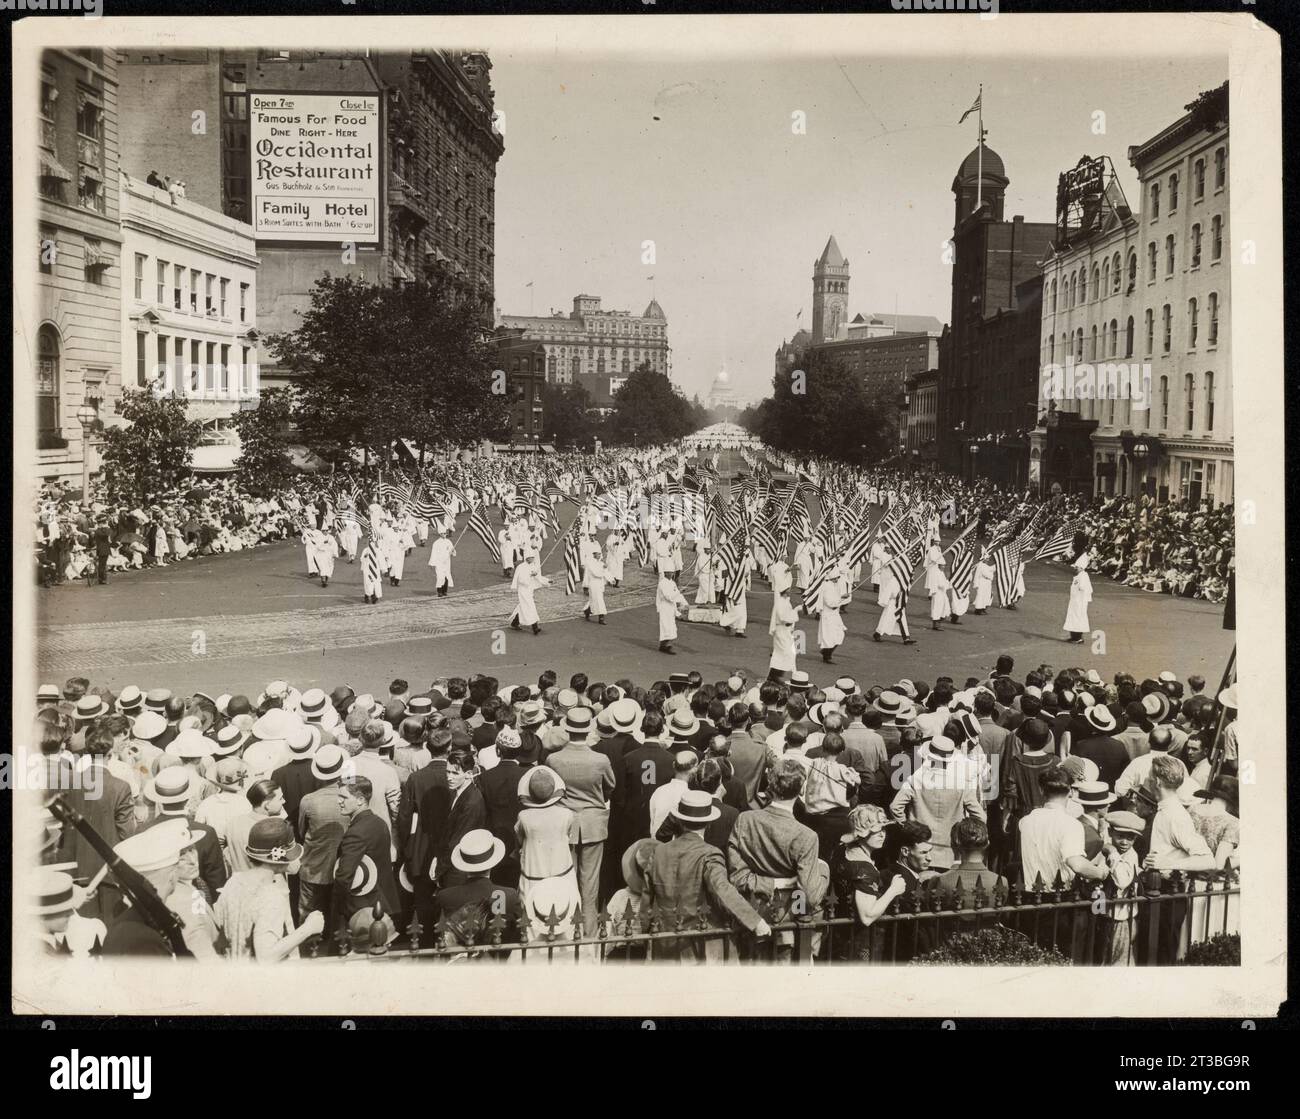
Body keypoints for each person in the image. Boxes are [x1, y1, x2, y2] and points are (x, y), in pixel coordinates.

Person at [641, 790, 771, 961]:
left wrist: (644, 934)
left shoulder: (658, 852)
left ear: (680, 820)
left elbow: (646, 901)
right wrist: (755, 921)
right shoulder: (709, 854)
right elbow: (722, 890)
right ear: (709, 823)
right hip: (702, 945)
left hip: (665, 943)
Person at [728, 757, 830, 958]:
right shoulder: (806, 835)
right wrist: (823, 873)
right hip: (789, 921)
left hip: (751, 913)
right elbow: (809, 896)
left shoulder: (744, 820)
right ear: (802, 790)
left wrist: (768, 883)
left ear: (770, 786)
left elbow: (737, 877)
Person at [213, 817, 325, 961]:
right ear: (279, 858)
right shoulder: (272, 896)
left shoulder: (233, 882)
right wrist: (308, 928)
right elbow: (267, 956)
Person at [546, 709, 614, 936]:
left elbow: (551, 790)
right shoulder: (600, 760)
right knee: (590, 883)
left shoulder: (554, 759)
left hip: (565, 823)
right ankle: (589, 932)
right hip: (593, 822)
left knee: (567, 878)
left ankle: (567, 929)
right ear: (587, 731)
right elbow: (609, 787)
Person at [889, 735, 985, 871]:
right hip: (950, 851)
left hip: (919, 848)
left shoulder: (915, 779)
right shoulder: (961, 784)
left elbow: (895, 807)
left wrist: (908, 828)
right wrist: (964, 836)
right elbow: (981, 817)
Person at [435, 830, 524, 954]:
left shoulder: (445, 896)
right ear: (492, 864)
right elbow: (520, 934)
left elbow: (439, 936)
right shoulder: (510, 895)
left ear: (463, 866)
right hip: (499, 962)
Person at [333, 776, 400, 930]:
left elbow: (344, 877)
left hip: (362, 908)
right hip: (382, 903)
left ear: (360, 800)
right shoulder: (379, 823)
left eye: (343, 797)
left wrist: (338, 908)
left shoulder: (356, 832)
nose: (339, 801)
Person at [510, 557, 549, 636]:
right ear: (527, 558)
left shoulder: (533, 566)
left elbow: (538, 577)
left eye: (533, 558)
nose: (532, 559)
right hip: (523, 591)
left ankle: (515, 622)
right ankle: (535, 627)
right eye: (530, 557)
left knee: (523, 607)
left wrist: (547, 581)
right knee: (530, 607)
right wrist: (530, 576)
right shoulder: (521, 567)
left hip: (530, 591)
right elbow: (520, 580)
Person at [656, 570, 689, 654]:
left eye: (672, 572)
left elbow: (677, 594)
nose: (671, 574)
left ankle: (664, 645)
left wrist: (685, 603)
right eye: (669, 572)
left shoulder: (672, 583)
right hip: (664, 607)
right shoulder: (662, 583)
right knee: (666, 627)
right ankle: (665, 645)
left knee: (671, 627)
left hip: (671, 607)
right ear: (665, 573)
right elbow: (669, 597)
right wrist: (679, 592)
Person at [1064, 548, 1092, 644]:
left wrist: (1081, 590)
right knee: (1073, 617)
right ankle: (1073, 636)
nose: (1075, 568)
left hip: (1080, 601)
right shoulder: (1078, 576)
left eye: (1077, 567)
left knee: (1078, 618)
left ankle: (1078, 638)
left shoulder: (1084, 576)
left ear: (1081, 567)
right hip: (1075, 601)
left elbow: (1085, 588)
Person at [583, 543, 609, 625]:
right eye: (597, 554)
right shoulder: (590, 563)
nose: (599, 555)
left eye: (600, 554)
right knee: (599, 601)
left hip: (600, 584)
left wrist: (611, 579)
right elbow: (596, 573)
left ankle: (587, 610)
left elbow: (606, 572)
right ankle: (601, 618)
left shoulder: (601, 563)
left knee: (594, 600)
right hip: (593, 584)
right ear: (594, 554)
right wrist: (603, 569)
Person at [428, 526, 456, 597]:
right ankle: (439, 591)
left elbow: (452, 551)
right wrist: (432, 563)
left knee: (447, 576)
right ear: (440, 534)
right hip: (439, 562)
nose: (444, 535)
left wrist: (452, 551)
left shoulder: (448, 542)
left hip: (446, 562)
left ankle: (445, 591)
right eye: (443, 533)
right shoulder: (436, 543)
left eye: (445, 533)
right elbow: (433, 553)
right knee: (440, 576)